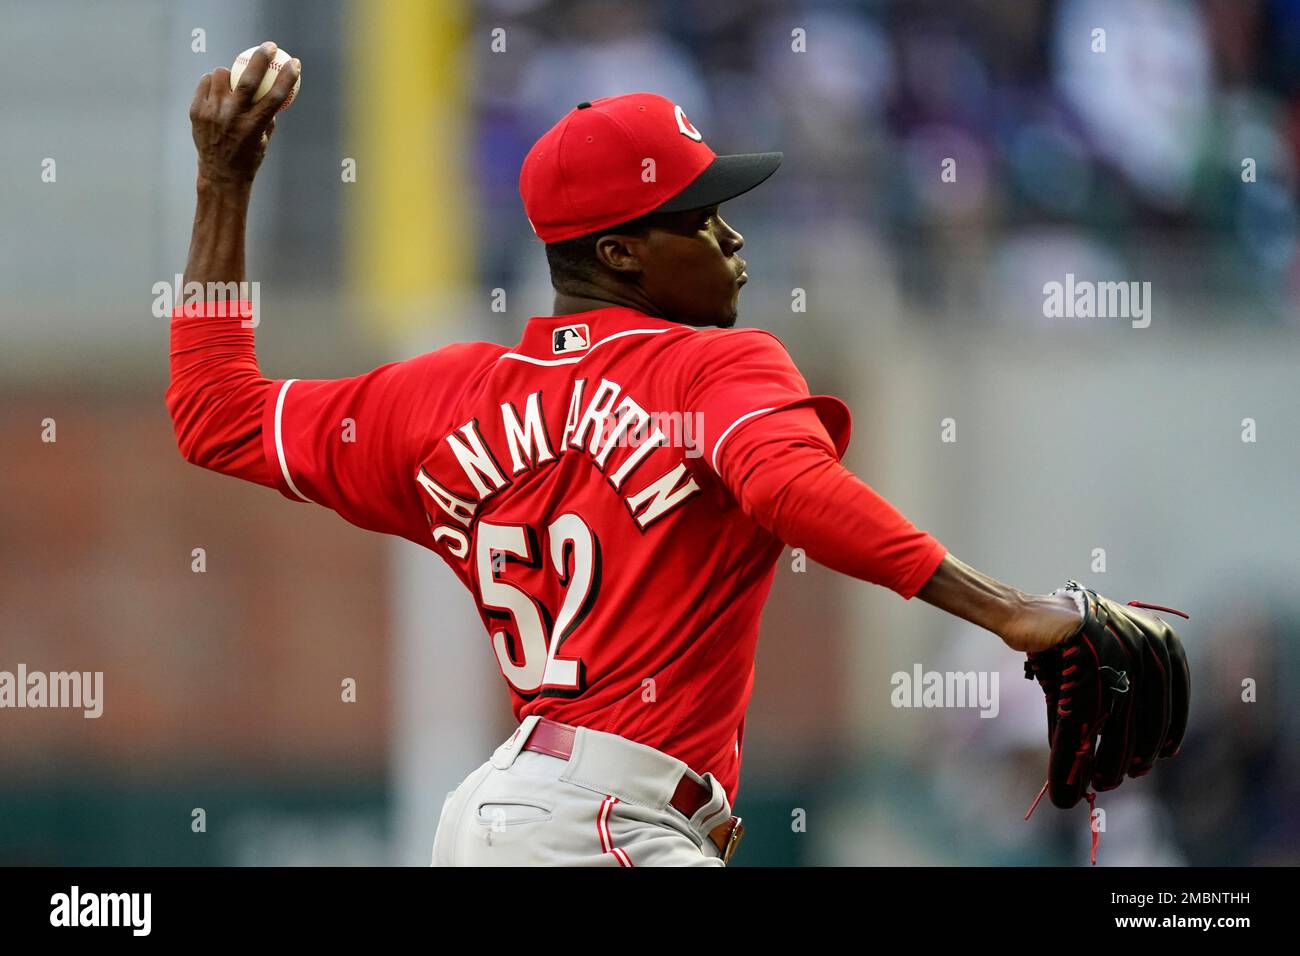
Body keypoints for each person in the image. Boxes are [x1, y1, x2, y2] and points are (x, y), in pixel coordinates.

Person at [172, 44, 1084, 866]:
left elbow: (215, 412)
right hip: (607, 822)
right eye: (700, 217)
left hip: (507, 821)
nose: (732, 237)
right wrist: (1003, 609)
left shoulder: (443, 397)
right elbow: (791, 487)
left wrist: (223, 182)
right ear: (619, 252)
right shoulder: (711, 368)